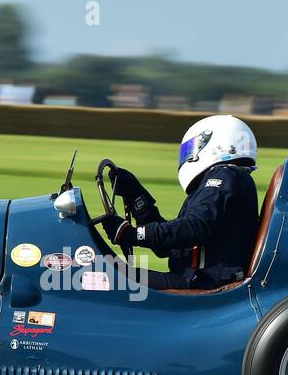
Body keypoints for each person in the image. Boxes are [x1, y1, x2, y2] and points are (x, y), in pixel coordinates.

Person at [98, 115, 259, 290]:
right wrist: (137, 196)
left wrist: (132, 234)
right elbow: (169, 247)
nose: (189, 154)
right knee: (111, 272)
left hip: (203, 283)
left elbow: (196, 226)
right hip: (195, 278)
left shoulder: (226, 175)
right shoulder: (229, 181)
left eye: (191, 148)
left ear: (217, 145)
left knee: (103, 278)